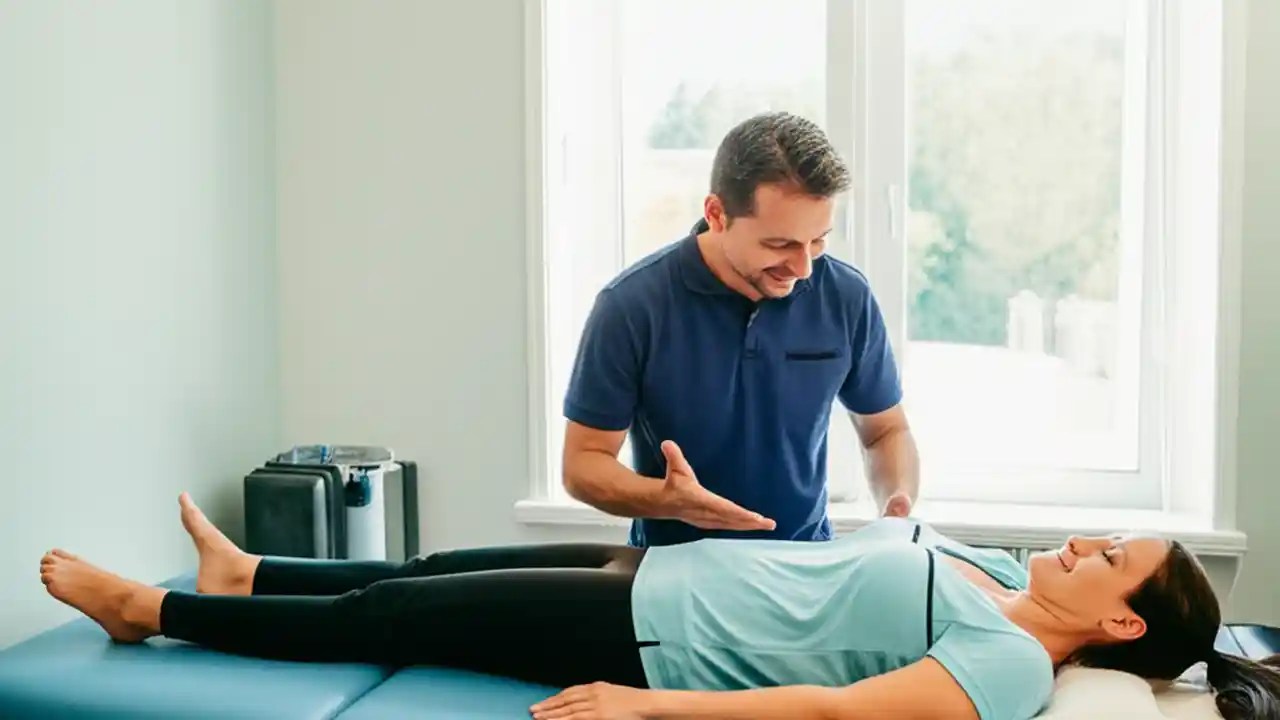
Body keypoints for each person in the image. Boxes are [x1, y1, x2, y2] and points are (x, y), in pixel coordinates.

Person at [42, 493, 1280, 720]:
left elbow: (837, 711)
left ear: (1119, 623)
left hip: (646, 640)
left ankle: (150, 612)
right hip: (654, 569)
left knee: (392, 620)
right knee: (415, 575)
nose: (1079, 542)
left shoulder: (1010, 672)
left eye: (1105, 553)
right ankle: (243, 577)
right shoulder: (1001, 589)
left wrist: (650, 714)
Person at [561, 111, 919, 547]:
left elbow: (886, 431)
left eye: (819, 240)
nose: (804, 268)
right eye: (779, 244)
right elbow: (583, 463)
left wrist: (896, 504)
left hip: (806, 568)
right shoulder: (632, 305)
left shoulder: (846, 296)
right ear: (716, 213)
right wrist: (668, 500)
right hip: (675, 575)